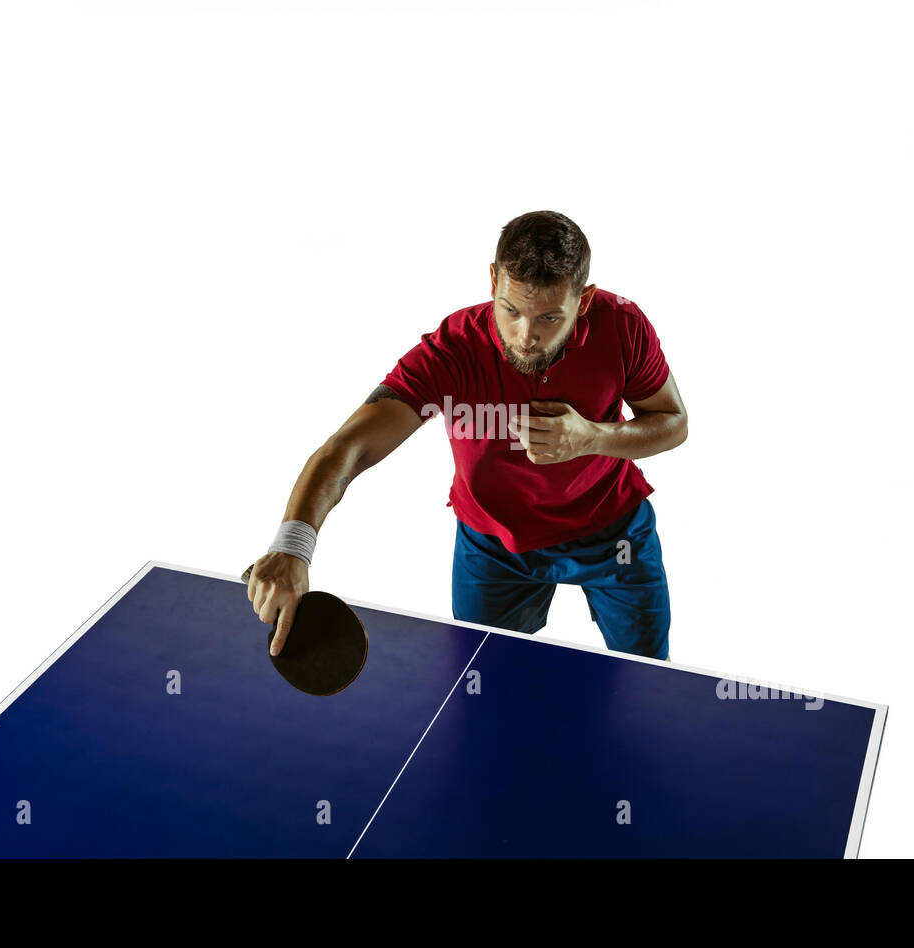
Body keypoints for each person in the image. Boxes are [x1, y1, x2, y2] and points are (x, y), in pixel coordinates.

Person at [247, 210, 687, 661]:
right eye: (511, 310)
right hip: (493, 546)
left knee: (646, 678)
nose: (526, 336)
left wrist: (592, 437)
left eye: (550, 318)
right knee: (485, 684)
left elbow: (673, 421)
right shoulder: (453, 351)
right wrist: (292, 545)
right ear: (493, 280)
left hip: (611, 535)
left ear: (585, 299)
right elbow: (348, 448)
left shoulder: (623, 326)